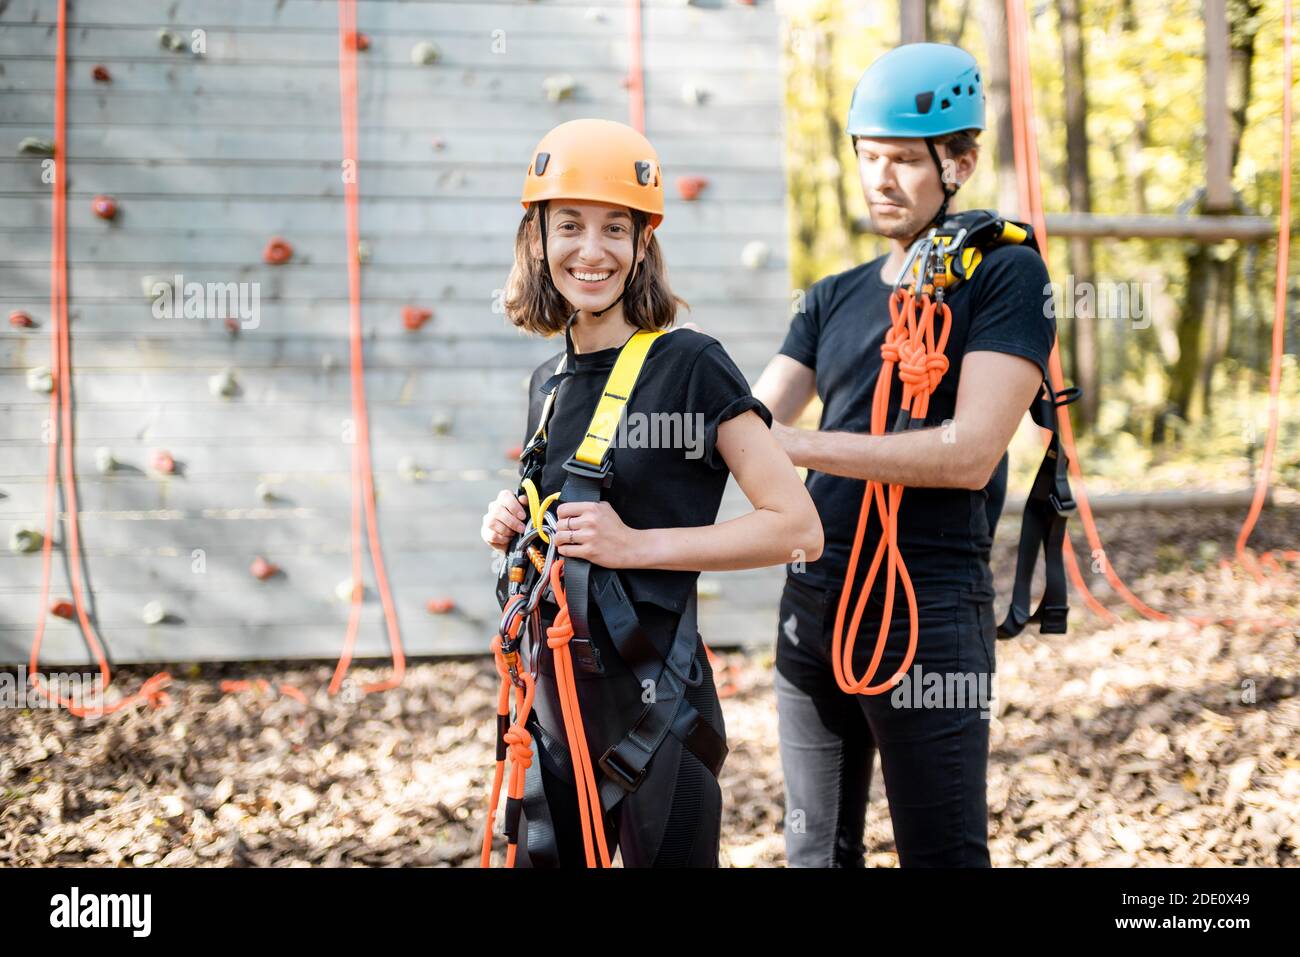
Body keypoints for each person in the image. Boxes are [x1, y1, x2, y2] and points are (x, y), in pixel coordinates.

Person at [479, 118, 823, 867]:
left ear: (642, 244)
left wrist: (637, 546)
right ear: (536, 238)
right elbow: (567, 539)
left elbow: (797, 526)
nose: (591, 250)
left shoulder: (692, 365)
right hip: (554, 716)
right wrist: (513, 526)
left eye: (615, 228)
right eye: (568, 225)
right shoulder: (549, 382)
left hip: (655, 715)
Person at [750, 43, 1057, 867]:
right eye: (868, 158)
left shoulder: (1006, 276)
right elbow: (746, 420)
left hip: (926, 608)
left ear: (961, 162)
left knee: (942, 854)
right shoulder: (834, 295)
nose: (881, 180)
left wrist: (799, 447)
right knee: (815, 855)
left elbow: (970, 452)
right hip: (814, 603)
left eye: (904, 162)